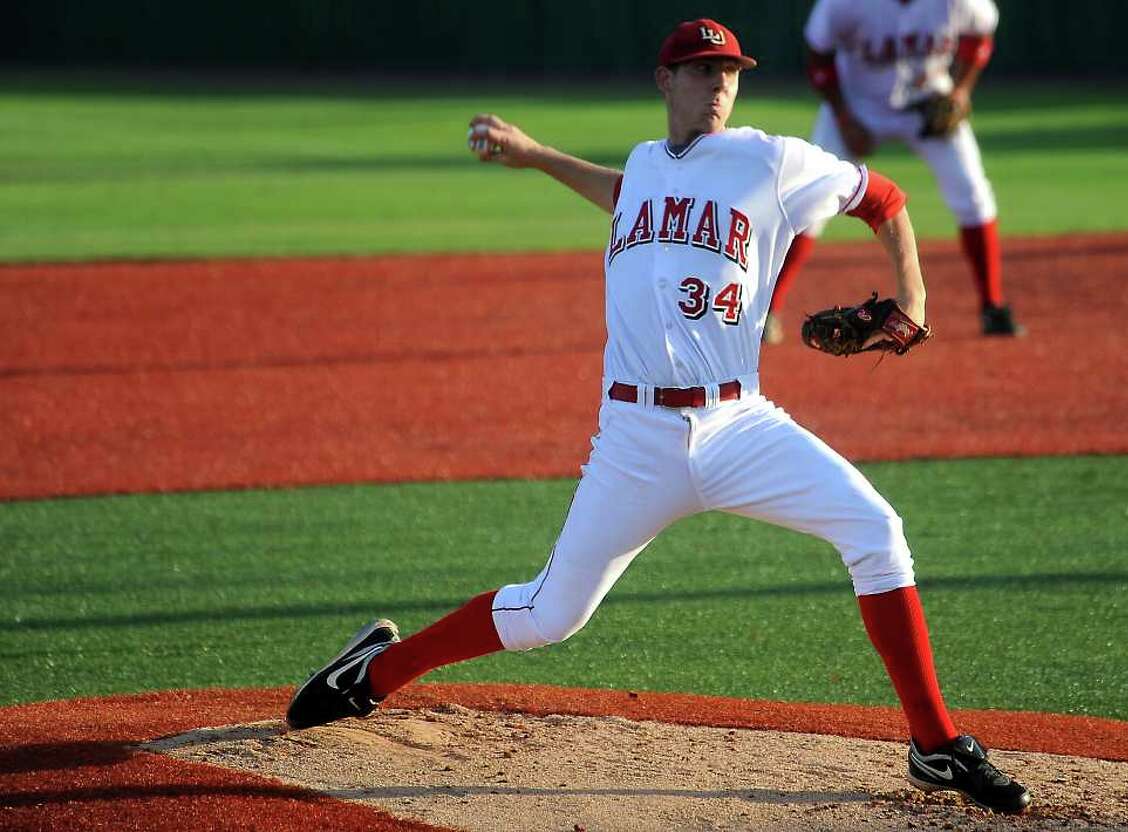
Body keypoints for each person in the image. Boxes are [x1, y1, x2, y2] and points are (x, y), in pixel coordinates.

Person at [285, 18, 1031, 815]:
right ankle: (371, 673)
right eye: (702, 70)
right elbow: (623, 192)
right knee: (549, 615)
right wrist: (535, 155)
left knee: (876, 531)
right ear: (664, 81)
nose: (718, 83)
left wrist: (913, 297)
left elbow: (883, 197)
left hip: (741, 427)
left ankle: (934, 745)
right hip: (635, 442)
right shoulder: (646, 165)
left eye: (730, 71)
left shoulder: (770, 158)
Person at [763, 0, 1022, 346]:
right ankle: (769, 312)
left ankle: (993, 307)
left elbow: (980, 36)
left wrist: (961, 90)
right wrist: (843, 117)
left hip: (928, 105)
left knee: (974, 195)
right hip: (857, 107)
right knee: (809, 203)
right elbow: (819, 58)